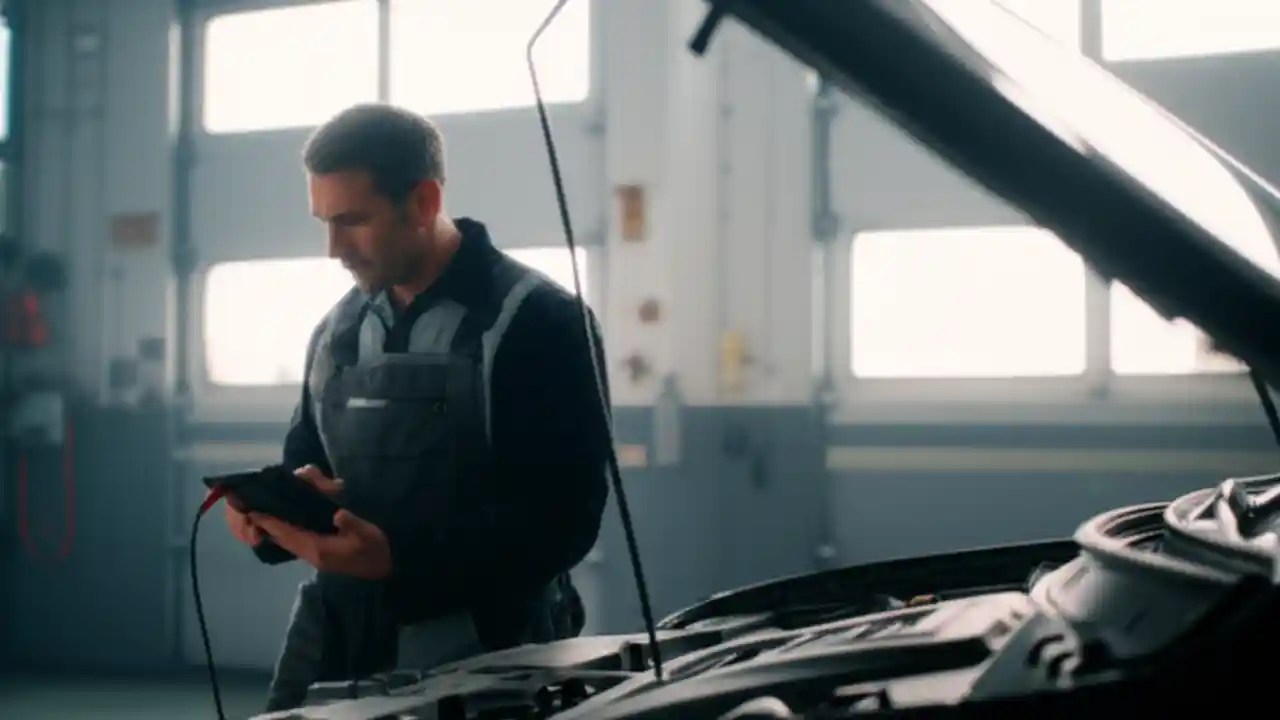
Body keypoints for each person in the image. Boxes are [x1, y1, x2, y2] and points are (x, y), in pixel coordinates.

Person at [222, 103, 612, 712]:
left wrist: (398, 559)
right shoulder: (335, 332)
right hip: (338, 635)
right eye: (324, 221)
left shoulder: (540, 322)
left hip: (489, 649)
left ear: (425, 201)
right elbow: (306, 464)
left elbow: (562, 520)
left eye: (353, 221)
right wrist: (271, 522)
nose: (333, 250)